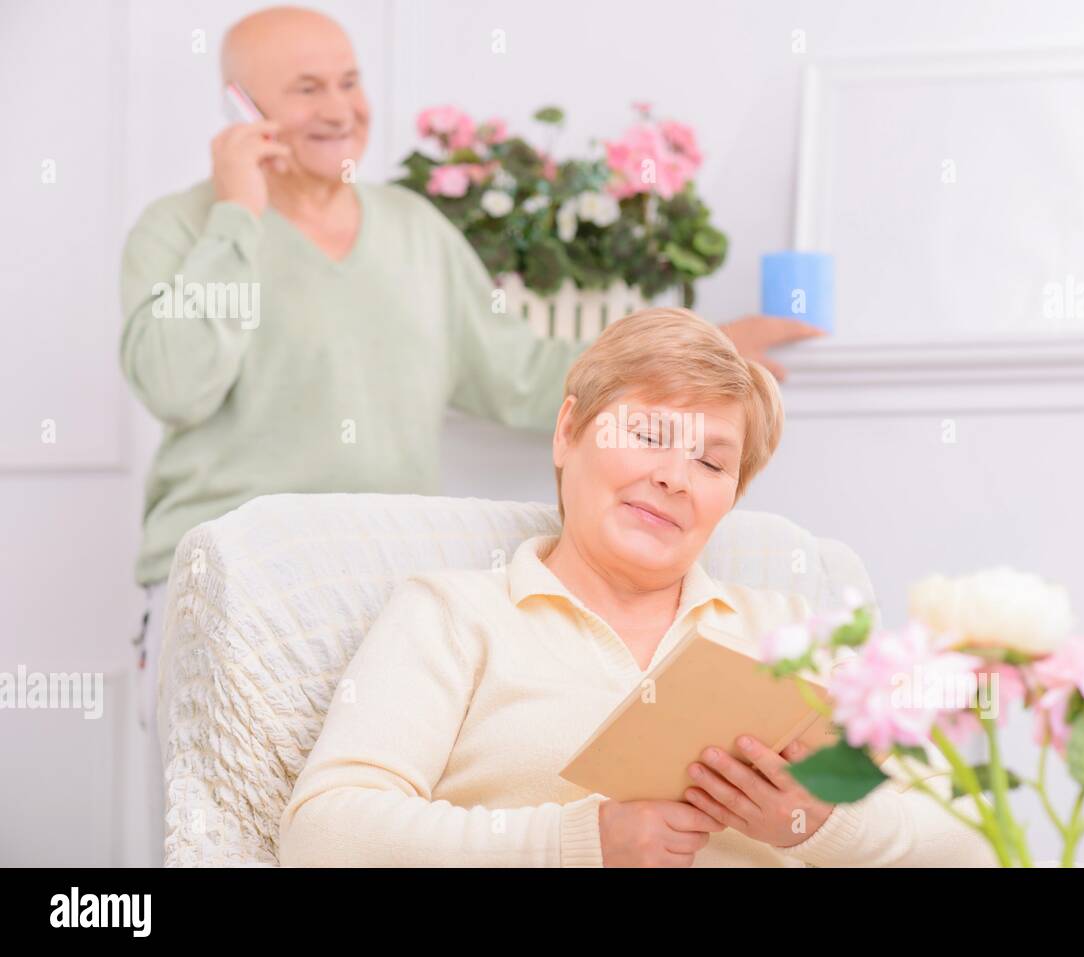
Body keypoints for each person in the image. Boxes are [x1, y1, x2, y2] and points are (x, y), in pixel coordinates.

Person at [120, 7, 821, 864]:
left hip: (373, 568)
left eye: (349, 80)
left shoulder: (416, 229)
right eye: (307, 88)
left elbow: (528, 373)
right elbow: (172, 381)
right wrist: (237, 214)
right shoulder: (182, 229)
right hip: (235, 580)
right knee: (216, 829)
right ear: (240, 105)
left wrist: (705, 358)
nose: (340, 106)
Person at [278, 308, 997, 867]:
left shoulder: (794, 634)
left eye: (712, 463)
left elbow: (974, 843)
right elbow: (324, 833)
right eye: (649, 433)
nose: (675, 476)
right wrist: (577, 843)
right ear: (569, 432)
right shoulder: (452, 614)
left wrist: (819, 823)